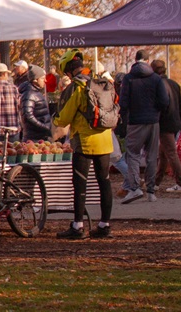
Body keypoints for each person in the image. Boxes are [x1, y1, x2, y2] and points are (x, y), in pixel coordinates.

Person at [56, 58, 116, 239]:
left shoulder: (78, 87)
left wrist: (55, 121)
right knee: (104, 182)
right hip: (105, 139)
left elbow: (64, 117)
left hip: (84, 141)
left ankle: (78, 226)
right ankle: (104, 225)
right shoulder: (100, 83)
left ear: (68, 72)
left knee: (80, 184)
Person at [119, 51, 170, 204]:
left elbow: (123, 102)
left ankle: (134, 188)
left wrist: (126, 116)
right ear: (148, 61)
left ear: (135, 61)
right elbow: (164, 101)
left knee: (133, 155)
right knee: (152, 156)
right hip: (153, 121)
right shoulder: (155, 78)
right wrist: (155, 112)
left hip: (135, 121)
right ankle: (151, 191)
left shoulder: (128, 78)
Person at [153, 59, 181, 193]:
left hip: (164, 123)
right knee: (164, 153)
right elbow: (180, 105)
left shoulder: (158, 85)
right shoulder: (174, 84)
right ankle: (156, 182)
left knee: (171, 153)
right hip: (175, 121)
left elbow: (161, 105)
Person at [19, 75, 53, 142]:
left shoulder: (35, 92)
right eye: (42, 78)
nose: (45, 80)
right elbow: (27, 115)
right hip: (34, 139)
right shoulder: (29, 94)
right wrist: (44, 127)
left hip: (40, 137)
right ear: (35, 80)